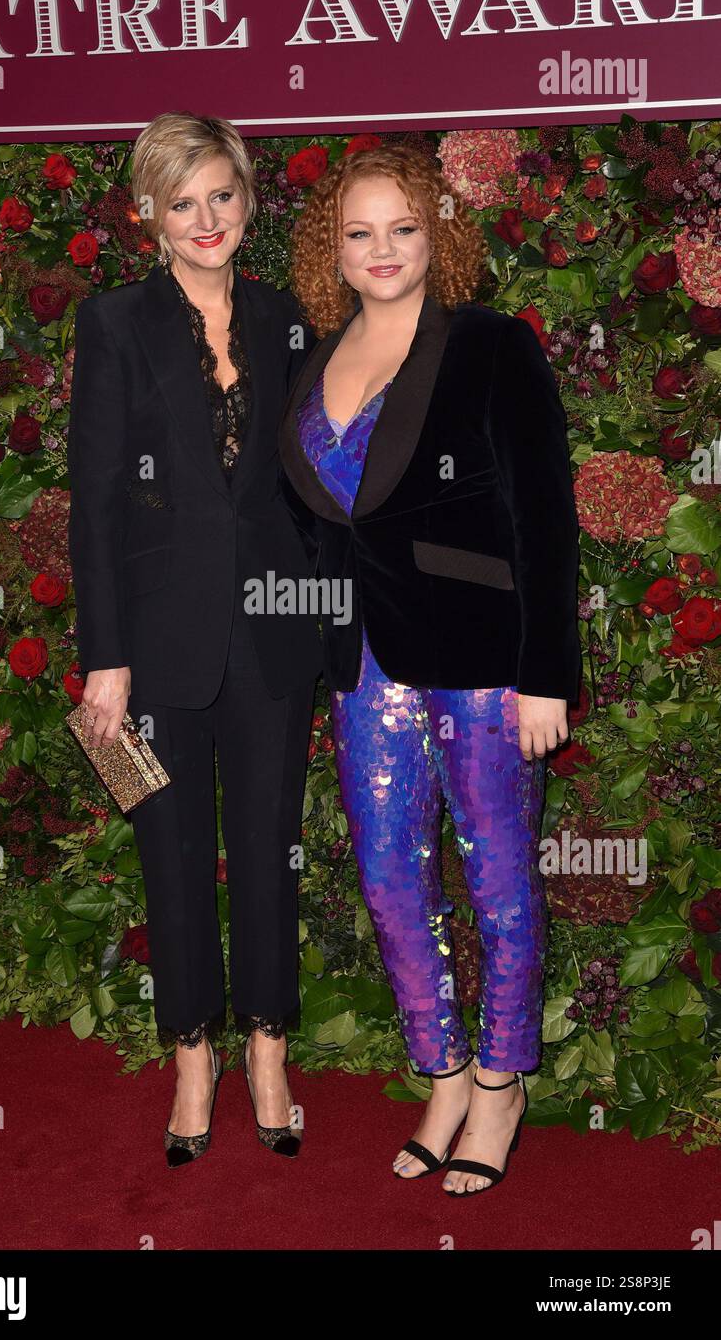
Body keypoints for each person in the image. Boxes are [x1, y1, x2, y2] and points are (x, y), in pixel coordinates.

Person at [278, 143, 581, 1195]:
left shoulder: (492, 346)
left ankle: (502, 1083)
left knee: (497, 881)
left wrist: (548, 671)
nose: (383, 249)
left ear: (436, 230)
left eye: (402, 226)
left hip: (485, 661)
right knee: (390, 884)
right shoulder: (313, 363)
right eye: (359, 232)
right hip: (366, 665)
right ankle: (441, 1074)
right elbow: (321, 537)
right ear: (334, 247)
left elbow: (545, 516)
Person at [67, 112, 321, 1166]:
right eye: (183, 201)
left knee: (268, 846)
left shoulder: (290, 319)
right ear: (150, 215)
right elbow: (94, 505)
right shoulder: (115, 322)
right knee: (169, 854)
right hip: (154, 645)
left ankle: (267, 1046)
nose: (205, 218)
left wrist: (331, 621)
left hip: (272, 634)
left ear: (247, 201)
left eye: (222, 195)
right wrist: (105, 658)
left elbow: (314, 484)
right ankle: (191, 1054)